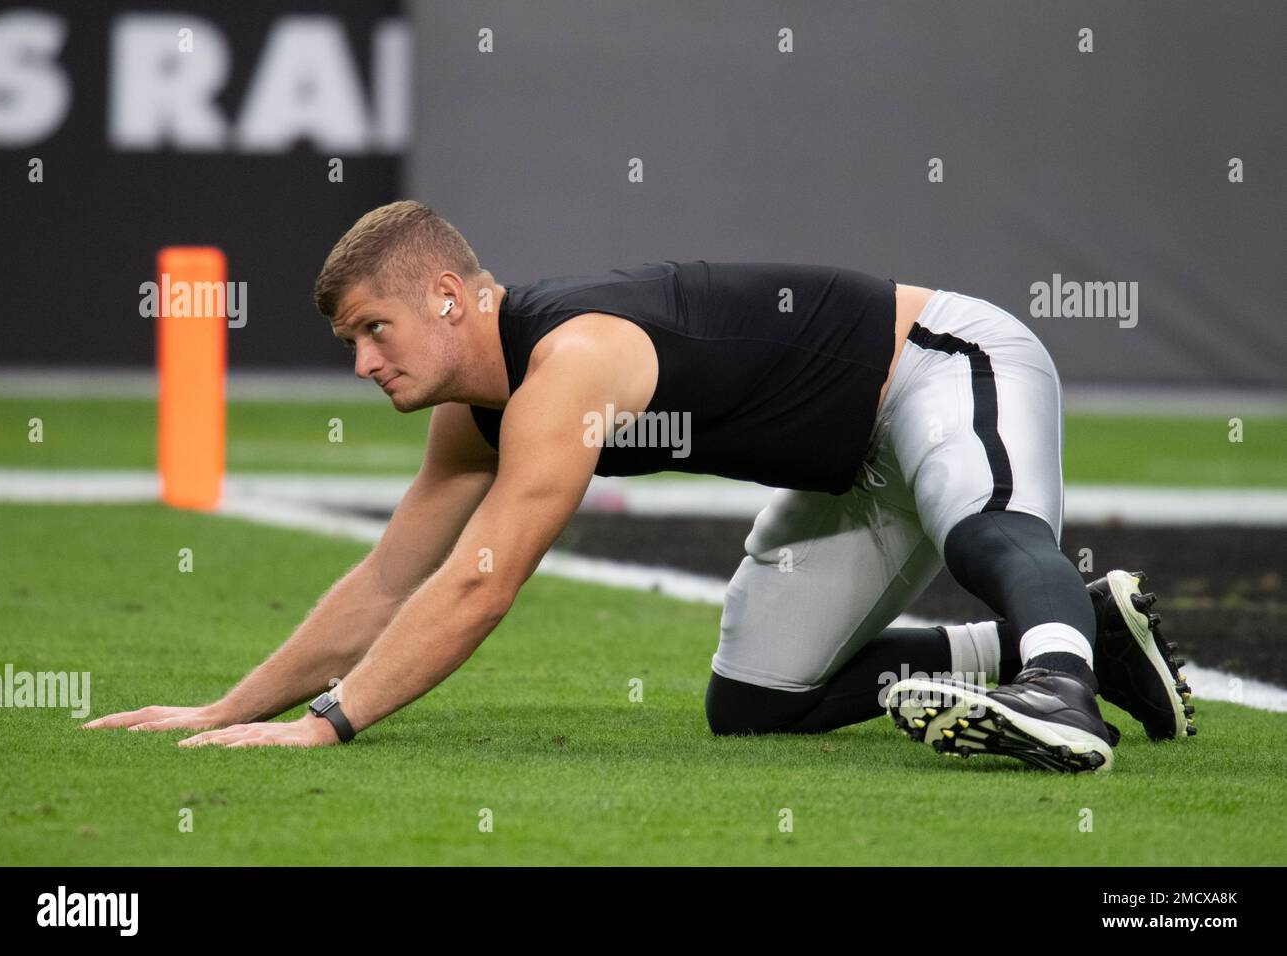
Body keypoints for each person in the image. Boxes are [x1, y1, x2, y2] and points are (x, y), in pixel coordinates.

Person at [84, 200, 1193, 771]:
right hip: (851, 467)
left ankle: (1059, 687)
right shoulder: (479, 416)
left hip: (939, 362)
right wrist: (233, 706)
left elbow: (480, 583)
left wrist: (329, 726)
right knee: (757, 700)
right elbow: (390, 578)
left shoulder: (568, 360)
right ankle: (1089, 633)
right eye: (350, 344)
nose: (364, 363)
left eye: (373, 330)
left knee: (984, 527)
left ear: (445, 295)